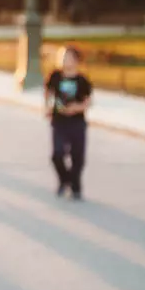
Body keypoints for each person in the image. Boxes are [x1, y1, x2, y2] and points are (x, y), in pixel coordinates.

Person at [45, 45, 92, 199]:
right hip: (59, 122)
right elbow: (48, 92)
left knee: (77, 157)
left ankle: (75, 187)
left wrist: (76, 108)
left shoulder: (82, 80)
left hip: (77, 123)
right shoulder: (55, 76)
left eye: (69, 57)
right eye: (63, 57)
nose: (65, 60)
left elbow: (88, 101)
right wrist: (47, 107)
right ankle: (65, 180)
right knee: (57, 155)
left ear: (77, 60)